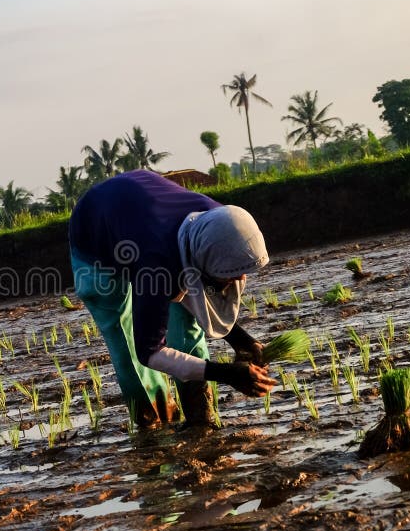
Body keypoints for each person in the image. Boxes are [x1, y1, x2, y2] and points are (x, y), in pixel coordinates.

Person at [69, 170, 277, 427]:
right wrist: (226, 373)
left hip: (142, 215)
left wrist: (243, 341)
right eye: (229, 276)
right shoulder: (155, 267)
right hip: (95, 239)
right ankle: (157, 422)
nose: (236, 281)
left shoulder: (225, 225)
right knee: (127, 341)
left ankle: (200, 419)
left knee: (187, 331)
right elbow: (150, 353)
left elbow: (196, 299)